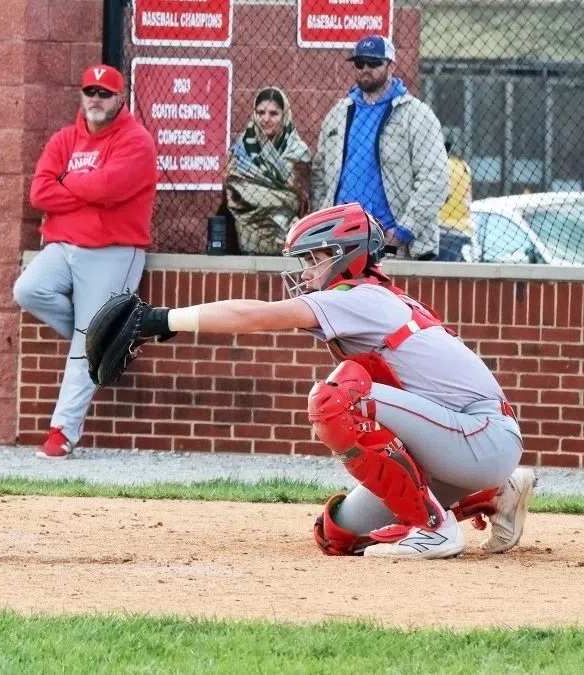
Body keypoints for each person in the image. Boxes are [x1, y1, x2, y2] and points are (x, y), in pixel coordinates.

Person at [112, 202, 536, 559]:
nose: (308, 271)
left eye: (316, 259)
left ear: (348, 255)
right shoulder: (368, 297)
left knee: (338, 399)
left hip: (480, 436)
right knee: (338, 534)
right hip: (462, 444)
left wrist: (164, 319)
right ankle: (496, 495)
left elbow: (256, 317)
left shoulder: (363, 297)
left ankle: (434, 528)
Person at [14, 64, 157, 459]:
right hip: (64, 246)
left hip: (114, 249)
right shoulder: (64, 139)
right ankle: (109, 341)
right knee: (28, 289)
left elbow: (109, 188)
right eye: (90, 91)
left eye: (104, 93)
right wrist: (87, 195)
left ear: (119, 98)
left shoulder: (136, 140)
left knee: (85, 335)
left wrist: (69, 186)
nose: (96, 99)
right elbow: (40, 193)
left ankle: (62, 433)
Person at [311, 35, 450, 261]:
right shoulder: (338, 114)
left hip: (390, 244)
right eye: (359, 63)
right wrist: (324, 223)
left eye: (374, 62)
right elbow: (318, 175)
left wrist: (403, 231)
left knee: (385, 295)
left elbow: (435, 179)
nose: (365, 68)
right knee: (340, 296)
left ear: (391, 66)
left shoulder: (416, 115)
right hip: (340, 241)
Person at [222, 86, 311, 255]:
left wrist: (256, 193)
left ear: (284, 116)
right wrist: (279, 198)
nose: (266, 119)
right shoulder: (240, 151)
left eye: (273, 113)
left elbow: (296, 198)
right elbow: (234, 191)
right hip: (248, 239)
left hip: (288, 241)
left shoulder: (298, 151)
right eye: (260, 112)